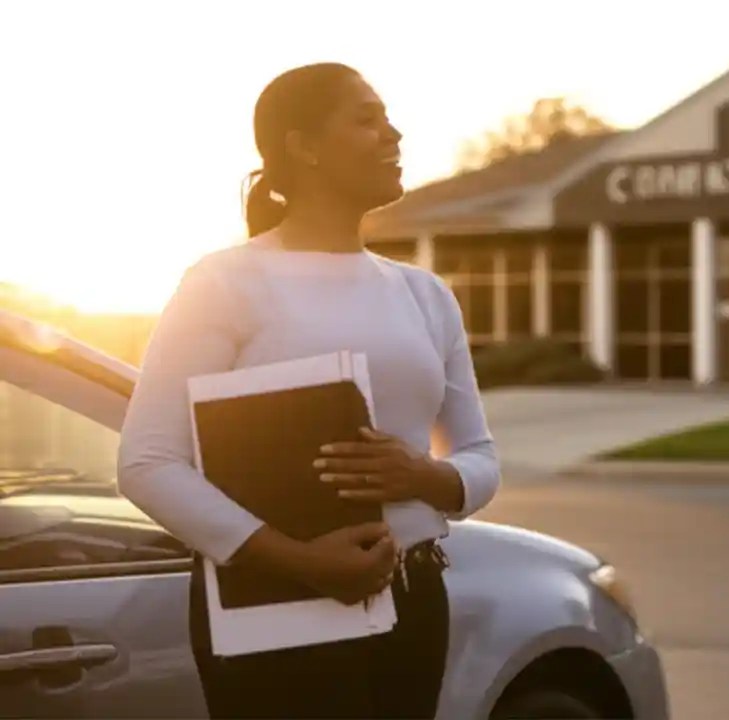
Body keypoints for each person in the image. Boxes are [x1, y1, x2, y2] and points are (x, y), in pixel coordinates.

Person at [116, 62, 500, 719]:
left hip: (413, 597)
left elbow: (480, 460)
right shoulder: (224, 282)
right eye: (367, 118)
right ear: (303, 146)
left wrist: (420, 476)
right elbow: (148, 465)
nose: (394, 134)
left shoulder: (424, 294)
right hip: (271, 607)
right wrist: (298, 560)